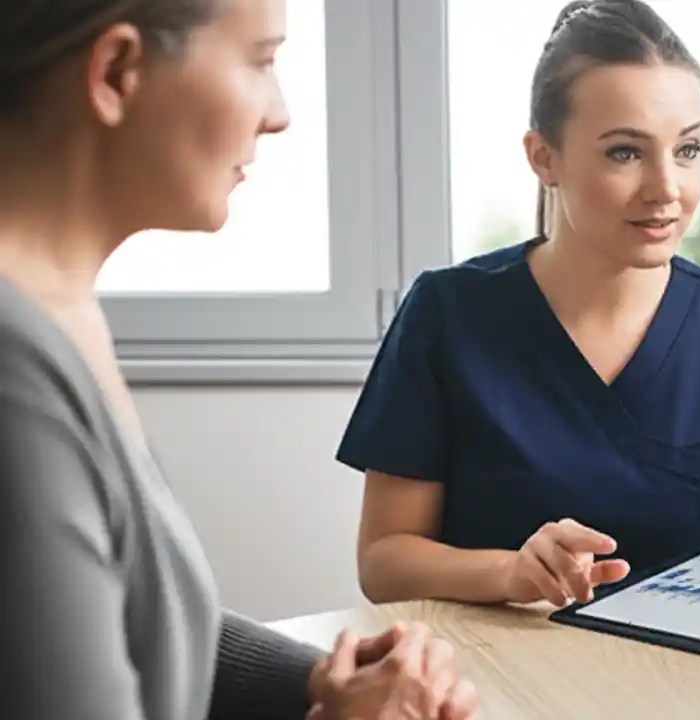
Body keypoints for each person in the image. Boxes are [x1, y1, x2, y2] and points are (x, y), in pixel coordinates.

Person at [0, 0, 477, 718]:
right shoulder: (14, 372)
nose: (279, 112)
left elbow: (118, 611)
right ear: (118, 71)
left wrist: (318, 680)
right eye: (260, 59)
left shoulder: (56, 309)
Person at [340, 0, 700, 609]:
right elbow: (385, 560)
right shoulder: (446, 315)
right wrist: (511, 574)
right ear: (543, 157)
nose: (666, 189)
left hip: (686, 685)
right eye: (625, 152)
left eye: (687, 150)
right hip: (488, 679)